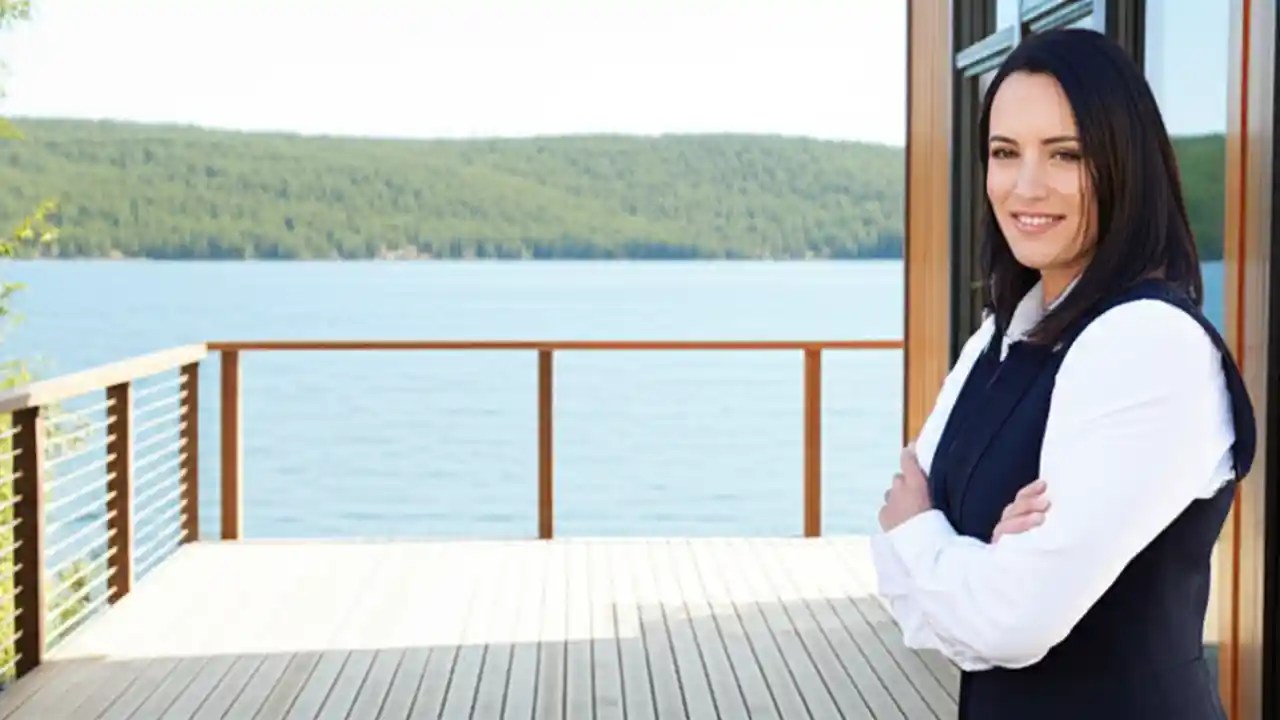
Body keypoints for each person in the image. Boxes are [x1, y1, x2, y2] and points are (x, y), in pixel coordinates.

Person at [873, 28, 1256, 720]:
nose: (1026, 186)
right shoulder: (1001, 333)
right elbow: (893, 554)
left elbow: (1007, 618)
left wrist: (936, 538)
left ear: (1123, 164)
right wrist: (974, 564)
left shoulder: (1149, 343)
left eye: (1065, 154)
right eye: (1003, 153)